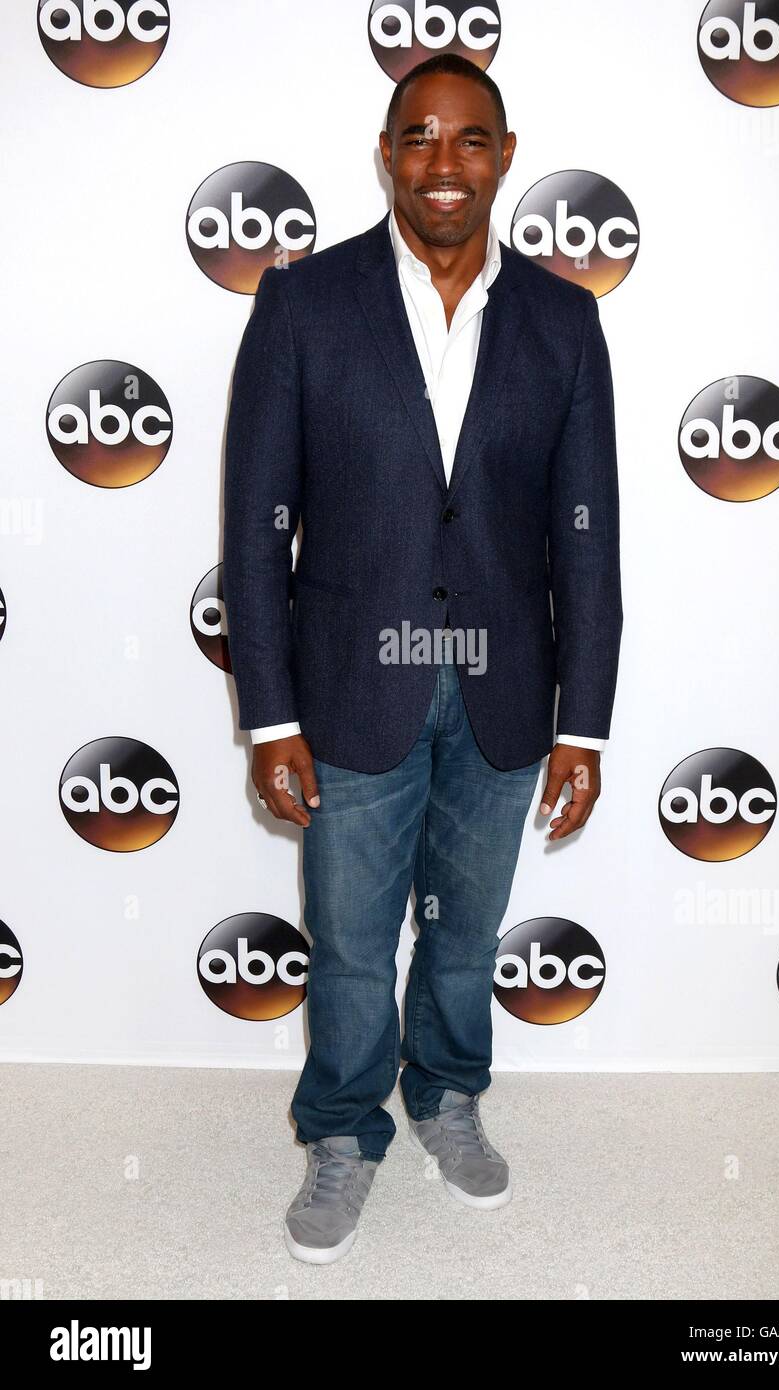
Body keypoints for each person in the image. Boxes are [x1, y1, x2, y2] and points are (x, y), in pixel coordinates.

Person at [223, 52, 622, 1264]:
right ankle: (342, 1126)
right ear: (386, 154)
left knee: (462, 926)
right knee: (347, 935)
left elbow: (585, 534)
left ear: (502, 156)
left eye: (466, 140)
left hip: (505, 689)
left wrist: (585, 722)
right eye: (417, 138)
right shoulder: (303, 304)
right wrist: (269, 715)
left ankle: (446, 1093)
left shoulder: (562, 319)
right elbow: (253, 527)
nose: (441, 165)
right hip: (351, 682)